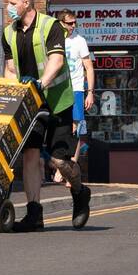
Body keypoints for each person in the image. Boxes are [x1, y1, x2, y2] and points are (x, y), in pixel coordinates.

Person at [2, 0, 91, 231]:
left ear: (26, 3)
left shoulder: (50, 26)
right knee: (30, 154)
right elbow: (10, 68)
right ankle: (34, 214)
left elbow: (57, 59)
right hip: (30, 105)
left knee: (58, 160)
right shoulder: (9, 33)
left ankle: (80, 192)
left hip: (57, 101)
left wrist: (42, 83)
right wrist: (11, 95)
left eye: (12, 3)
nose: (8, 7)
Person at [59, 9, 95, 171]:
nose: (73, 26)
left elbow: (89, 67)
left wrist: (90, 92)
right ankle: (60, 164)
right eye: (69, 23)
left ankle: (70, 167)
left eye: (75, 23)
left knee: (75, 127)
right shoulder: (54, 39)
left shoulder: (80, 41)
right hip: (58, 89)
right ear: (60, 22)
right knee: (60, 128)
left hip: (76, 88)